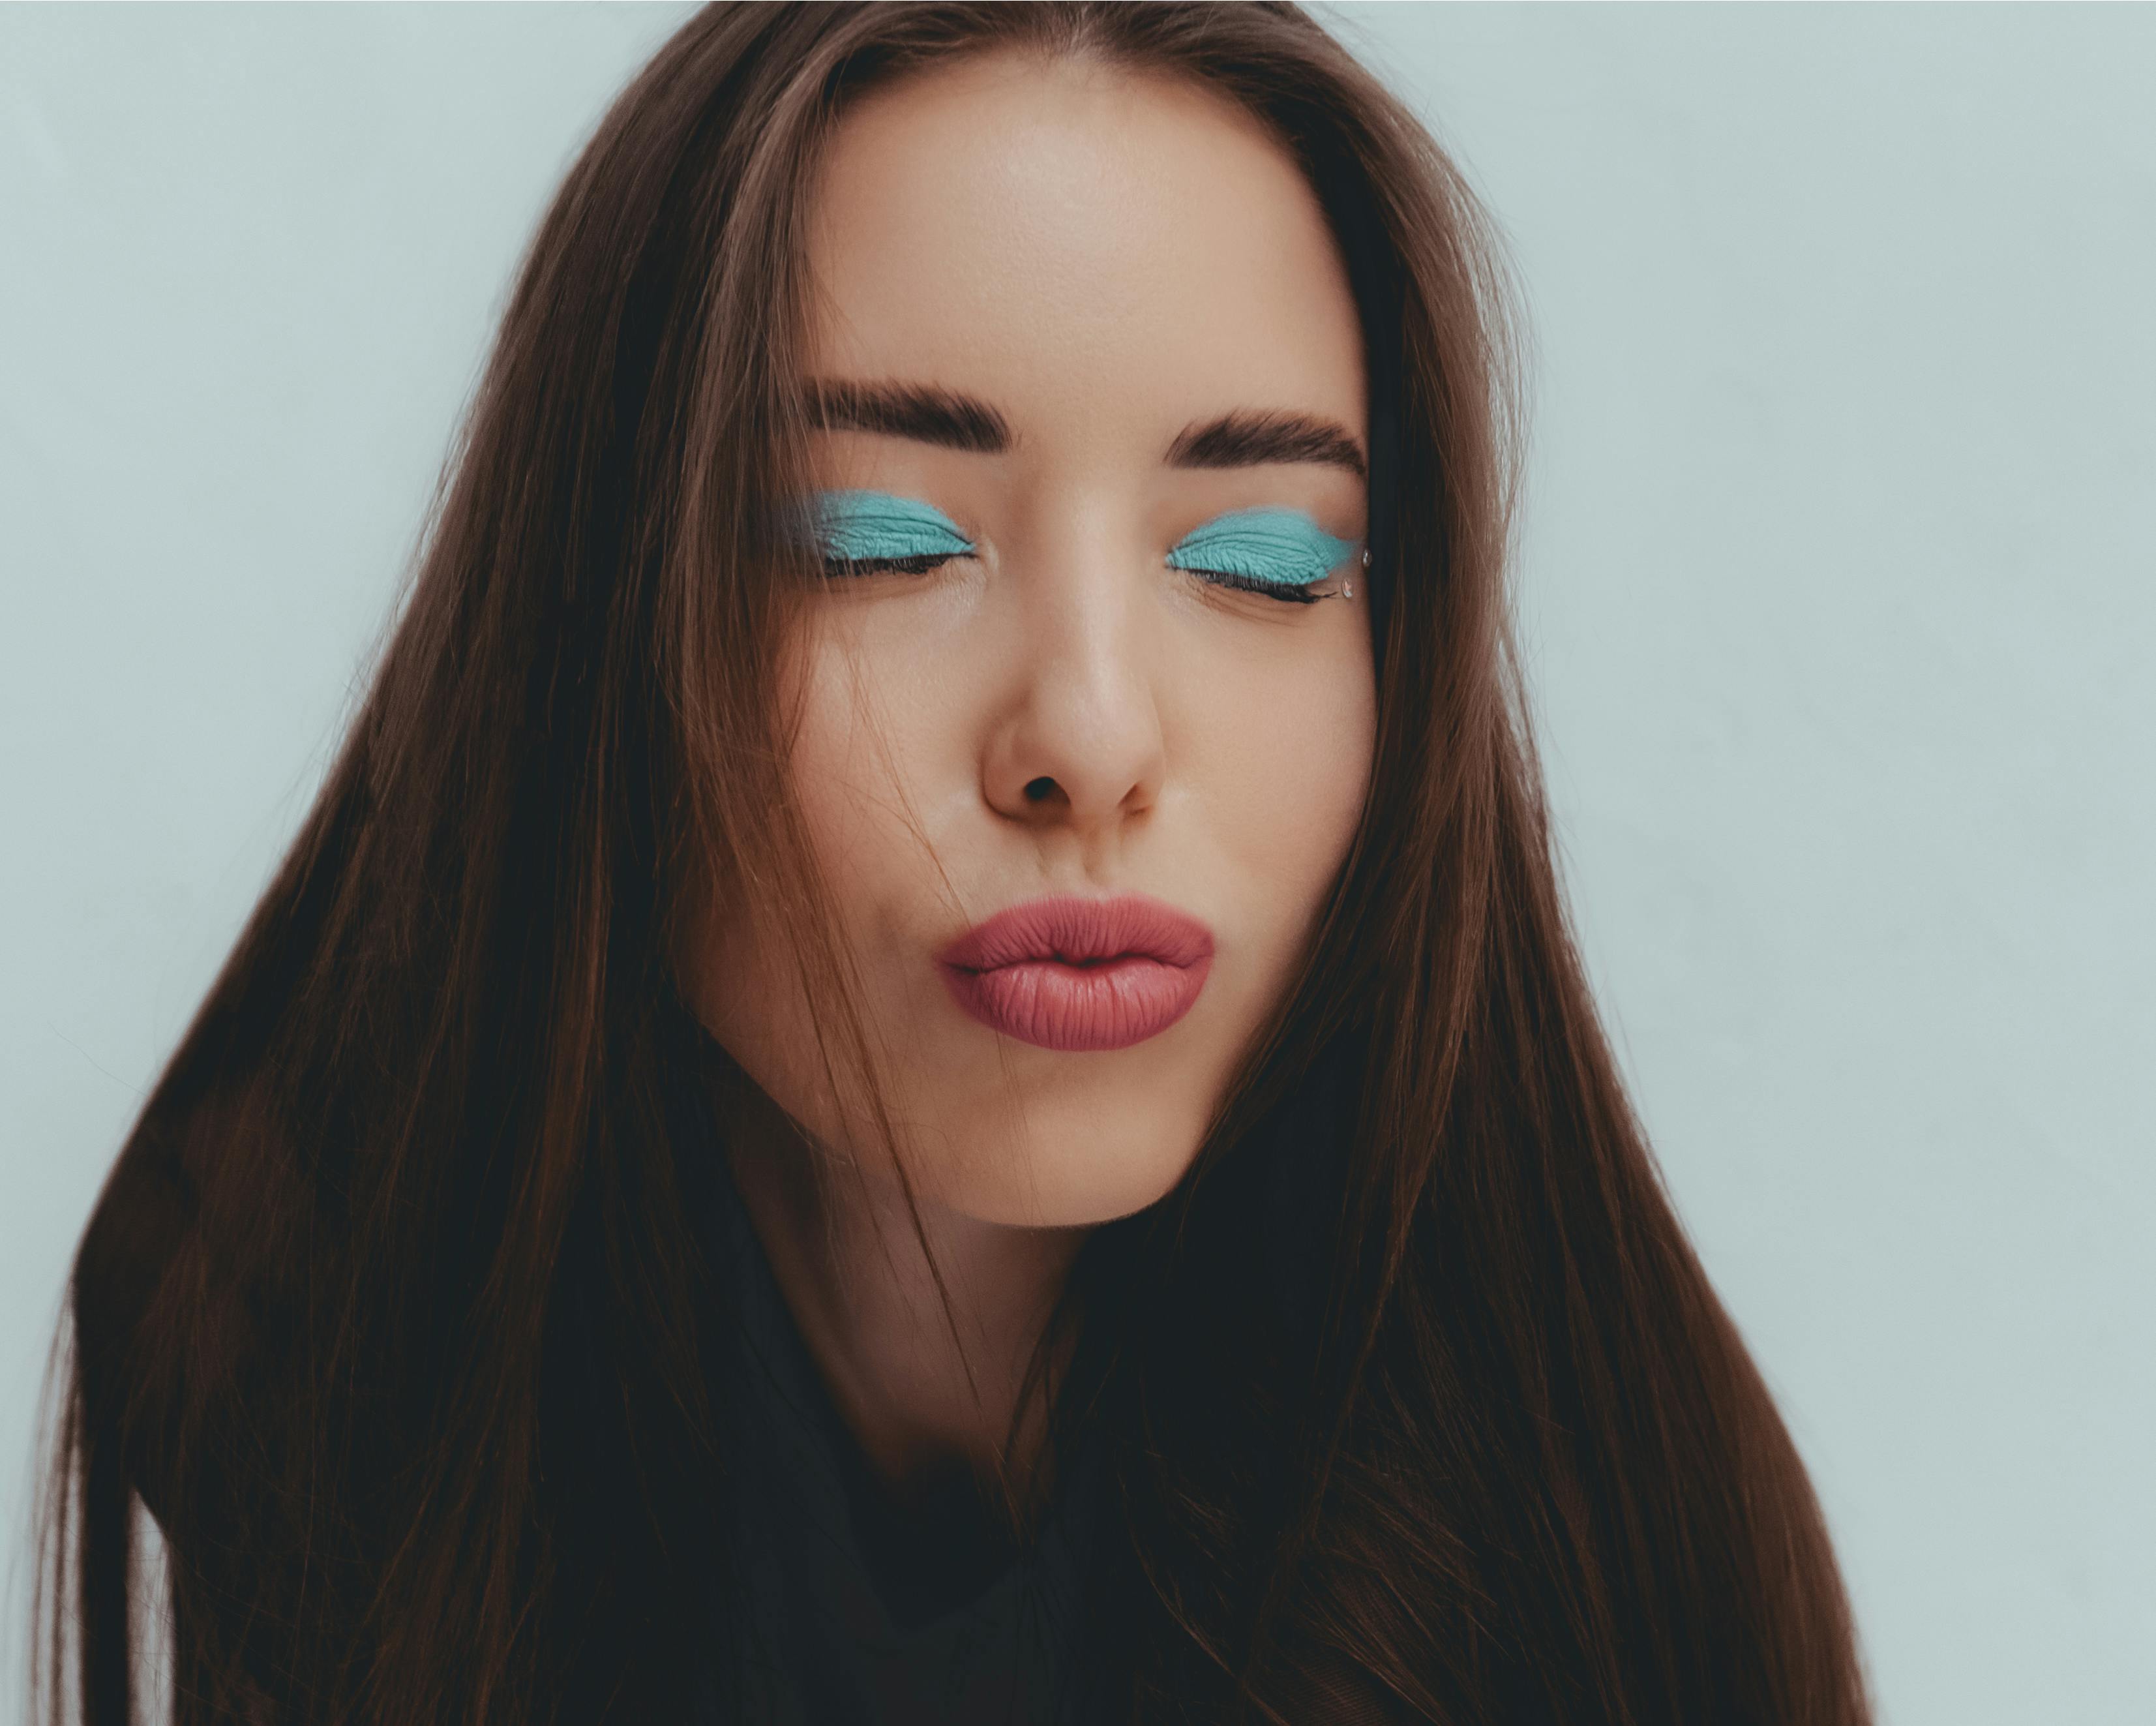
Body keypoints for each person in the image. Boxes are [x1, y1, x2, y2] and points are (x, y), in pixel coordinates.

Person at [32, 5, 1876, 1723]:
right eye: (876, 545)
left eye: (1264, 565)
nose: (1090, 735)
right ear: (589, 619)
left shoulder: (1604, 1504)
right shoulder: (302, 1319)